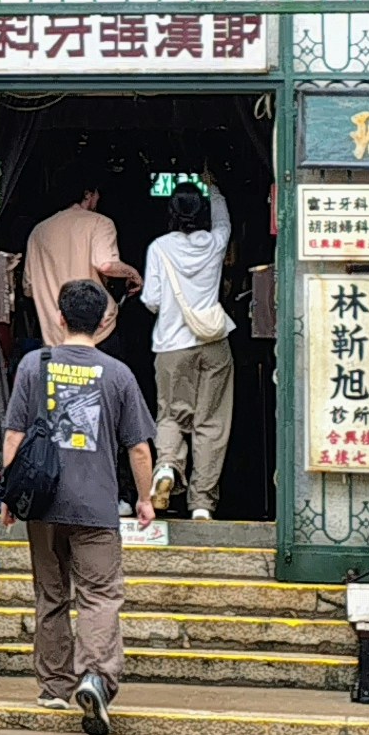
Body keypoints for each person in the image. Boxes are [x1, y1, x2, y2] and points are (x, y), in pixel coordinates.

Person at [0, 277, 156, 735]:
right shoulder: (119, 374)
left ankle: (53, 686)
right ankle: (95, 677)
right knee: (100, 595)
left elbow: (13, 435)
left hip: (43, 505)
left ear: (61, 317)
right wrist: (145, 500)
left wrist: (11, 496)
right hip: (96, 507)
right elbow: (140, 448)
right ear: (104, 320)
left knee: (51, 594)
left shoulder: (33, 364)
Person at [137, 180, 234, 521]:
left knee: (171, 415)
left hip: (172, 346)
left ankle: (166, 467)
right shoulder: (215, 243)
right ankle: (202, 504)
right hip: (213, 343)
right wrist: (215, 189)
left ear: (171, 214)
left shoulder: (159, 248)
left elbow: (151, 300)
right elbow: (224, 224)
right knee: (212, 423)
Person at [19, 184, 140, 350]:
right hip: (99, 333)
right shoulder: (100, 222)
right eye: (97, 194)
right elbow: (105, 265)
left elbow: (28, 289)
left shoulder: (39, 231)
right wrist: (132, 273)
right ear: (88, 195)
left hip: (55, 339)